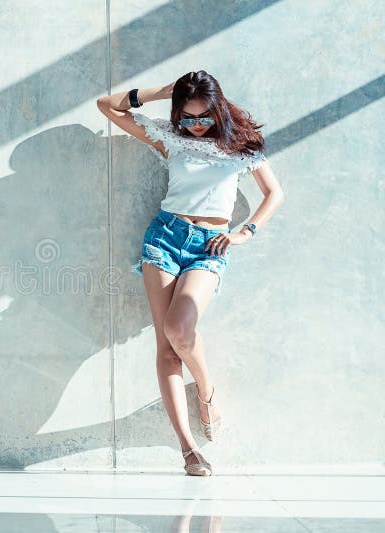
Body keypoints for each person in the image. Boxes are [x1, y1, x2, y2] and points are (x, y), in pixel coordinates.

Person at [96, 70, 285, 476]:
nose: (196, 125)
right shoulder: (171, 137)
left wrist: (246, 231)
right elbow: (106, 106)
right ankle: (188, 449)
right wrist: (160, 92)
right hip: (164, 238)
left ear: (218, 110)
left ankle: (205, 390)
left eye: (204, 117)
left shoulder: (241, 145)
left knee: (179, 329)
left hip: (210, 246)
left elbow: (274, 193)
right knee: (166, 346)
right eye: (187, 117)